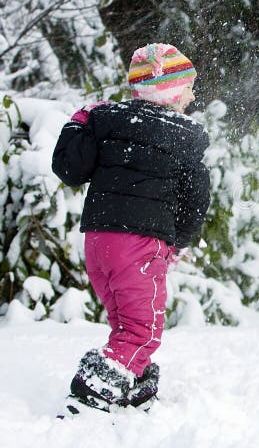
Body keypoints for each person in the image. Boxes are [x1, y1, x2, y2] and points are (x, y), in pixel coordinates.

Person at [52, 43, 211, 413]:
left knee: (125, 321)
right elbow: (195, 199)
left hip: (98, 241)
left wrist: (79, 123)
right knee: (143, 329)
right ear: (171, 91)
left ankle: (134, 383)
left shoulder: (106, 120)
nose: (191, 95)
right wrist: (178, 241)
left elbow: (71, 170)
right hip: (141, 243)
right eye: (188, 87)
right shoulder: (183, 135)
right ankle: (92, 392)